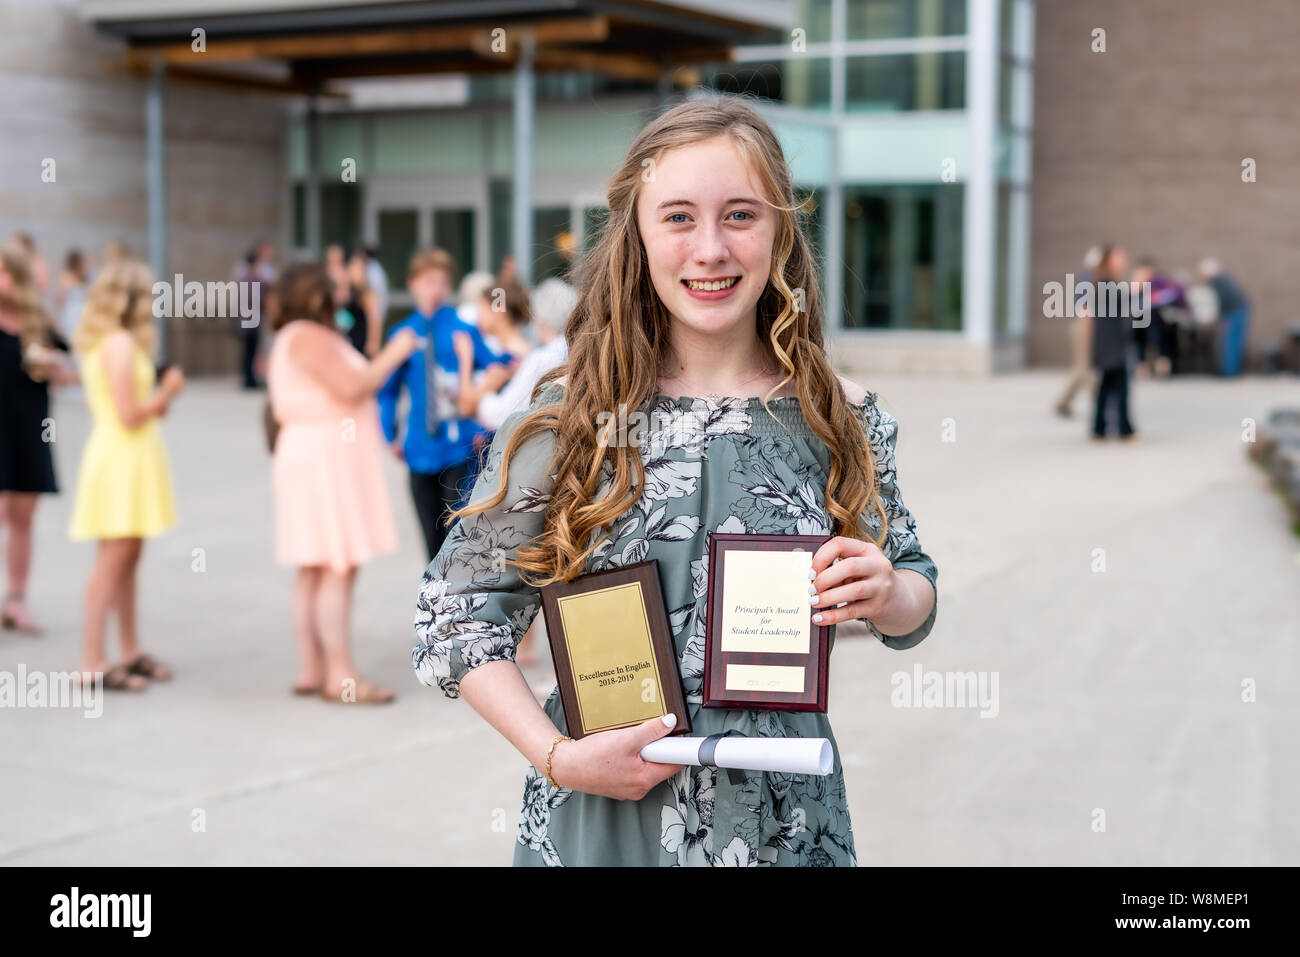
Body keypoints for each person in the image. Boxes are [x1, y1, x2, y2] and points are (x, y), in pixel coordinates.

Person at [411, 95, 939, 866]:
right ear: (638, 234)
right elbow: (452, 615)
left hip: (782, 829)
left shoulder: (841, 415)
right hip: (603, 825)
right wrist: (555, 753)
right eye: (680, 217)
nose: (712, 248)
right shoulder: (572, 418)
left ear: (780, 231)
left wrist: (887, 593)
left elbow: (916, 589)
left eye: (741, 216)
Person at [267, 261, 417, 704]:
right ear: (315, 295)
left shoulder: (297, 336)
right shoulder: (307, 336)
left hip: (313, 453)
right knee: (337, 564)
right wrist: (397, 349)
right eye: (332, 290)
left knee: (313, 567)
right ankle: (341, 676)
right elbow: (353, 386)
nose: (340, 297)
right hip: (324, 457)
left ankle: (313, 669)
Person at [68, 259, 185, 691]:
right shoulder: (117, 344)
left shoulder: (118, 342)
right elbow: (130, 414)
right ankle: (92, 661)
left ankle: (129, 650)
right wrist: (166, 391)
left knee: (129, 559)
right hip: (121, 457)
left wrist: (159, 398)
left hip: (130, 456)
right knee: (112, 561)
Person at [378, 249, 510, 563]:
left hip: (458, 446)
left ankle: (456, 601)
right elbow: (387, 391)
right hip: (419, 447)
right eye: (428, 282)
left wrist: (481, 422)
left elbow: (498, 368)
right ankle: (433, 602)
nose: (435, 289)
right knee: (429, 541)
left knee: (456, 537)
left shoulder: (462, 330)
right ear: (412, 284)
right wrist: (388, 433)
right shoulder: (403, 334)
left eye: (442, 282)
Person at [0, 242, 77, 634]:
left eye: (6, 272)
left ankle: (16, 600)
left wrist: (54, 366)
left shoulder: (38, 322)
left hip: (30, 425)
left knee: (24, 516)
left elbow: (69, 371)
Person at [1088, 246, 1138, 441]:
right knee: (1119, 388)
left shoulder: (1108, 284)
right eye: (1119, 257)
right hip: (1112, 346)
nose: (1123, 260)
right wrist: (1136, 288)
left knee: (1107, 387)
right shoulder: (1105, 284)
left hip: (1112, 345)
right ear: (1108, 261)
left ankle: (1099, 429)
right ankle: (1124, 430)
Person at [1054, 245, 1101, 418]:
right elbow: (1084, 308)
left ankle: (1064, 402)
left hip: (1082, 325)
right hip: (1083, 326)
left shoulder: (1087, 278)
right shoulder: (1089, 280)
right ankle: (1098, 402)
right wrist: (1090, 329)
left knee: (1082, 368)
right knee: (1084, 369)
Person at [1200, 258, 1251, 377]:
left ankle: (1229, 371)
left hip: (1234, 313)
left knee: (1231, 342)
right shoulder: (1224, 279)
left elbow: (1222, 300)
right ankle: (1232, 370)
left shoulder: (1217, 281)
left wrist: (1221, 318)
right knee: (1234, 342)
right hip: (1239, 311)